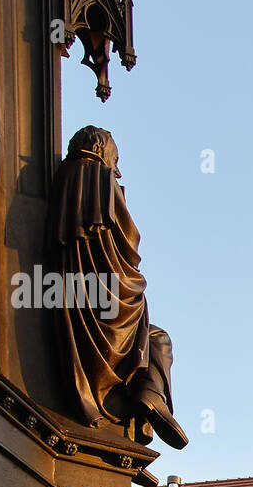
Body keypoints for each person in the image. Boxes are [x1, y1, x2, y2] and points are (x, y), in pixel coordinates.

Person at [46, 125, 188, 449]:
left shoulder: (63, 183)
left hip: (66, 295)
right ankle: (150, 398)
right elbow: (128, 245)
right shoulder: (98, 179)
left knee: (152, 339)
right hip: (103, 299)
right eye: (116, 159)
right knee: (157, 338)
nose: (118, 169)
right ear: (100, 150)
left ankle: (149, 398)